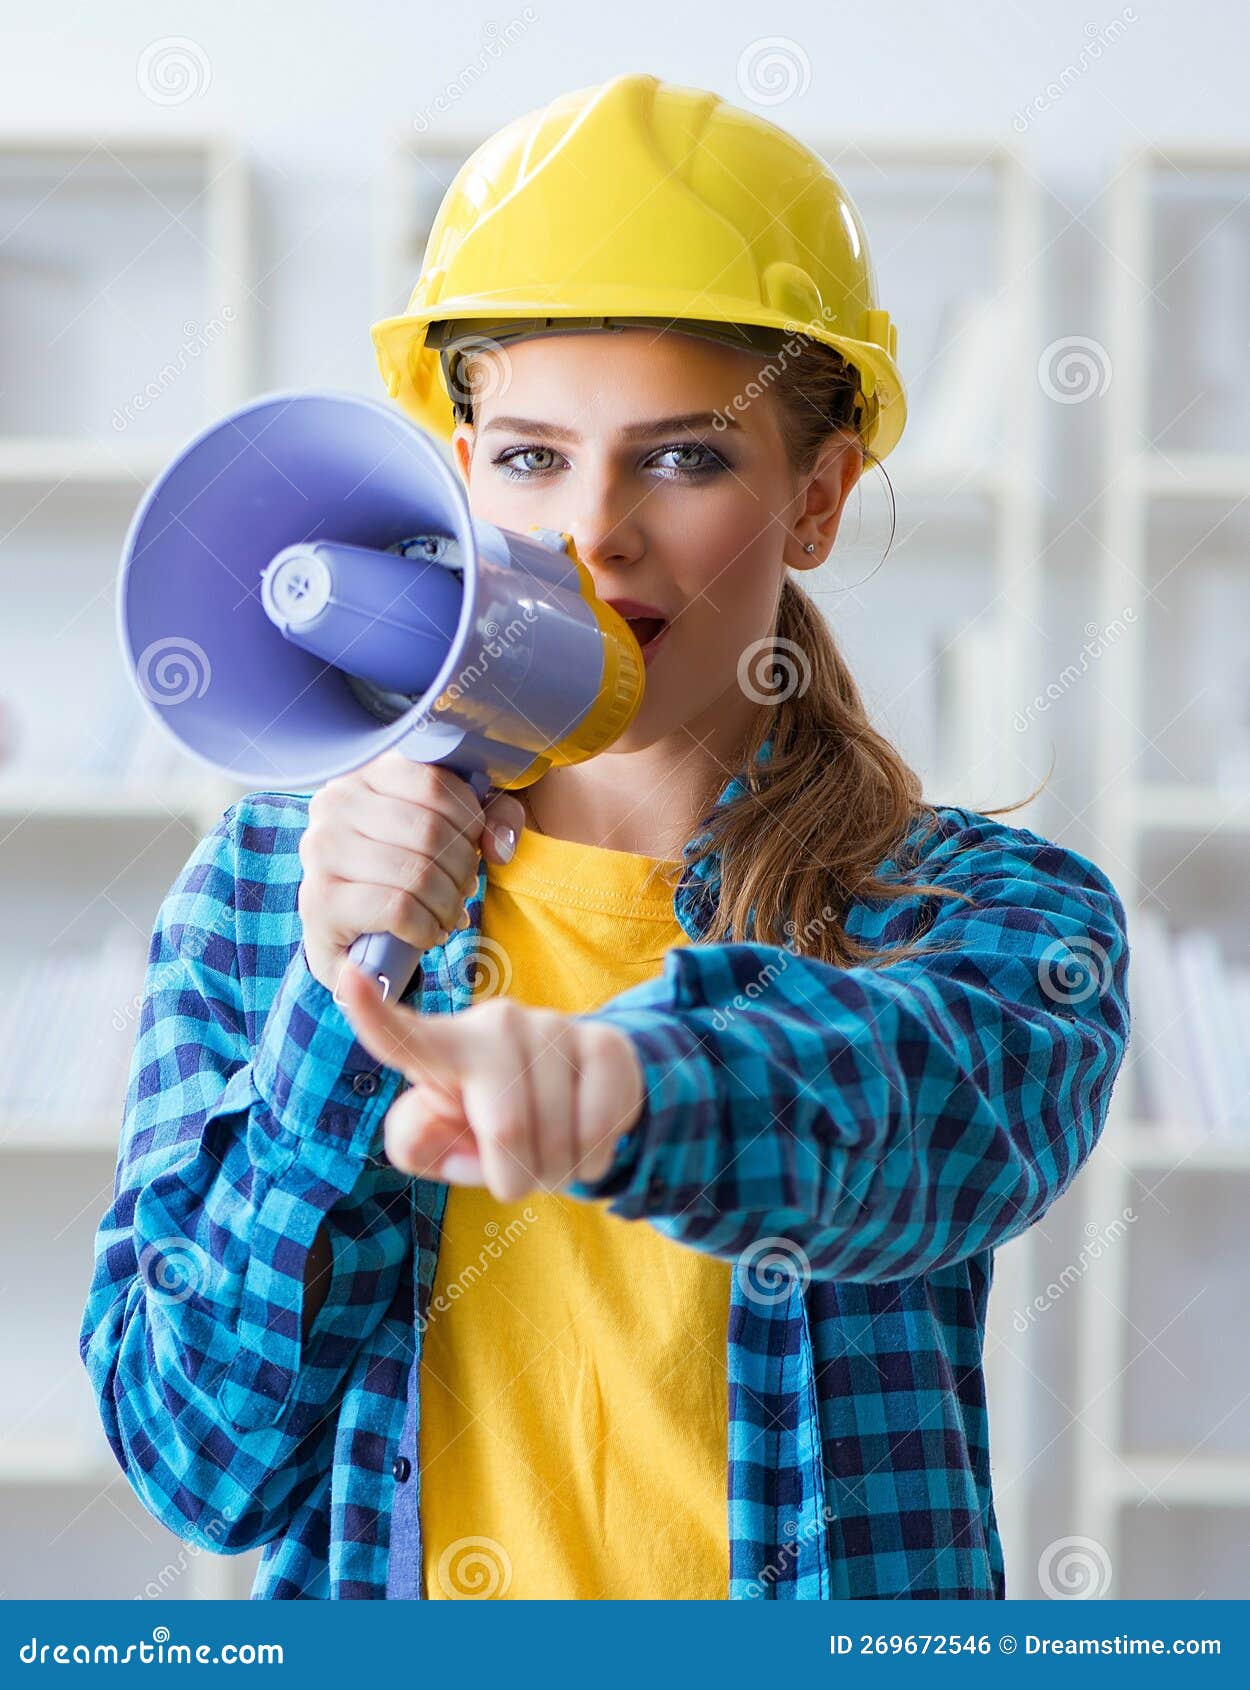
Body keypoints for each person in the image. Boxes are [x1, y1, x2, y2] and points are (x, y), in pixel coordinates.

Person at [80, 72, 1130, 1601]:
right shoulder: (266, 896)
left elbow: (927, 1139)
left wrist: (625, 1086)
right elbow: (199, 1461)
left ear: (818, 497)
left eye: (684, 455)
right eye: (527, 455)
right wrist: (331, 1007)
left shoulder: (987, 915)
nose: (594, 530)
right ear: (456, 473)